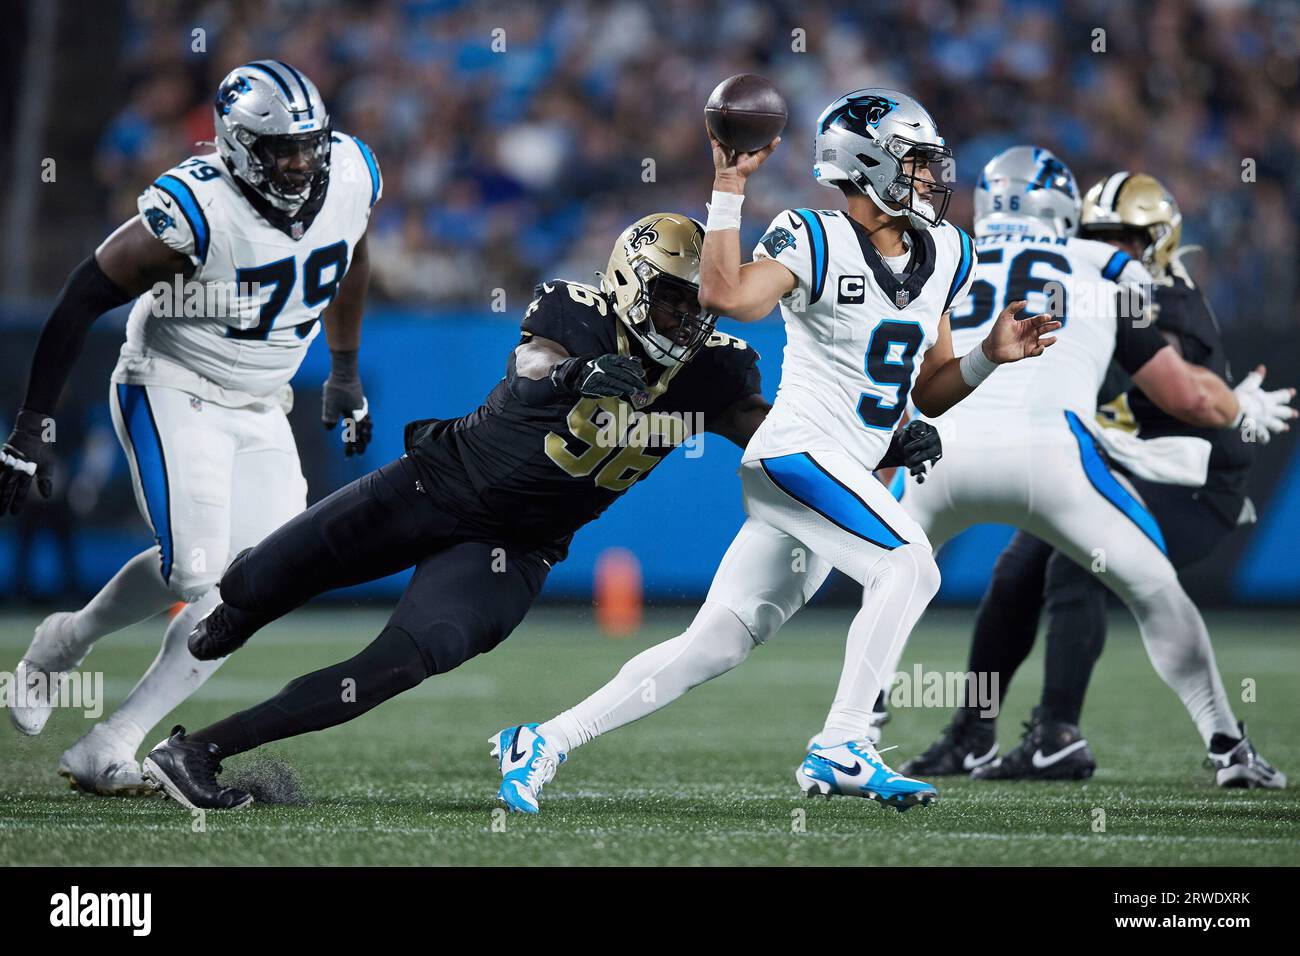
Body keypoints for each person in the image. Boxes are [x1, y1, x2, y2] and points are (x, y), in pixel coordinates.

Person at [140, 211, 939, 811]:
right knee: (257, 584)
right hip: (434, 483)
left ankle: (201, 750)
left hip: (515, 550)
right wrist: (575, 380)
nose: (689, 320)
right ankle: (204, 643)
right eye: (672, 302)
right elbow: (531, 368)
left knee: (399, 664)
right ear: (630, 284)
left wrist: (876, 445)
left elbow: (773, 436)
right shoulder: (576, 311)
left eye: (701, 306)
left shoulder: (716, 369)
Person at [492, 90, 1061, 814]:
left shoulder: (950, 250)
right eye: (914, 163)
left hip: (842, 473)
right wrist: (730, 185)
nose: (930, 178)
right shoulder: (812, 235)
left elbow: (933, 388)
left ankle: (542, 741)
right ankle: (842, 744)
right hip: (795, 454)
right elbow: (728, 295)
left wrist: (989, 356)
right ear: (868, 165)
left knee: (715, 644)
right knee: (909, 563)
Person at [1, 61, 379, 794]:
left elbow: (353, 258)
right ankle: (60, 645)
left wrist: (344, 371)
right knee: (193, 570)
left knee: (251, 588)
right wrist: (31, 424)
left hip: (264, 401)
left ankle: (111, 741)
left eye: (309, 145)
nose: (299, 163)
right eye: (280, 150)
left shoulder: (356, 173)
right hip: (175, 386)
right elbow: (81, 297)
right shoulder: (195, 209)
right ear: (237, 146)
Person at [902, 170, 1292, 788]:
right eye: (1104, 234)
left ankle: (1061, 733)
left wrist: (1239, 408)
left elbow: (1184, 395)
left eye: (1128, 237)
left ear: (1158, 240)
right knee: (1012, 577)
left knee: (1082, 563)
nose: (1119, 247)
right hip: (1110, 466)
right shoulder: (1086, 275)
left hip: (1185, 478)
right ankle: (973, 732)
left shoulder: (1157, 296)